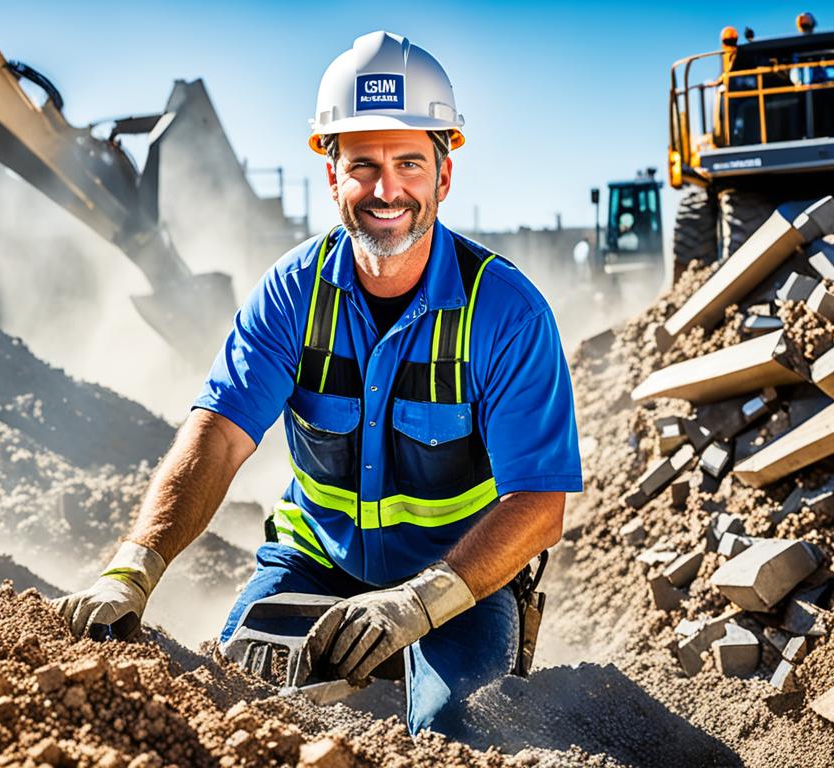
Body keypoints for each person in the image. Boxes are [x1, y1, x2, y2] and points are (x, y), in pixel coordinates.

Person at [54, 30, 582, 740]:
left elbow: (540, 506)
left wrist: (417, 605)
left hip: (457, 580)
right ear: (331, 176)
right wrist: (134, 568)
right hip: (315, 561)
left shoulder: (507, 313)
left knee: (455, 729)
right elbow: (218, 434)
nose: (385, 189)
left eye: (408, 163)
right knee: (232, 712)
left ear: (443, 177)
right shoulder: (291, 294)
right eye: (362, 165)